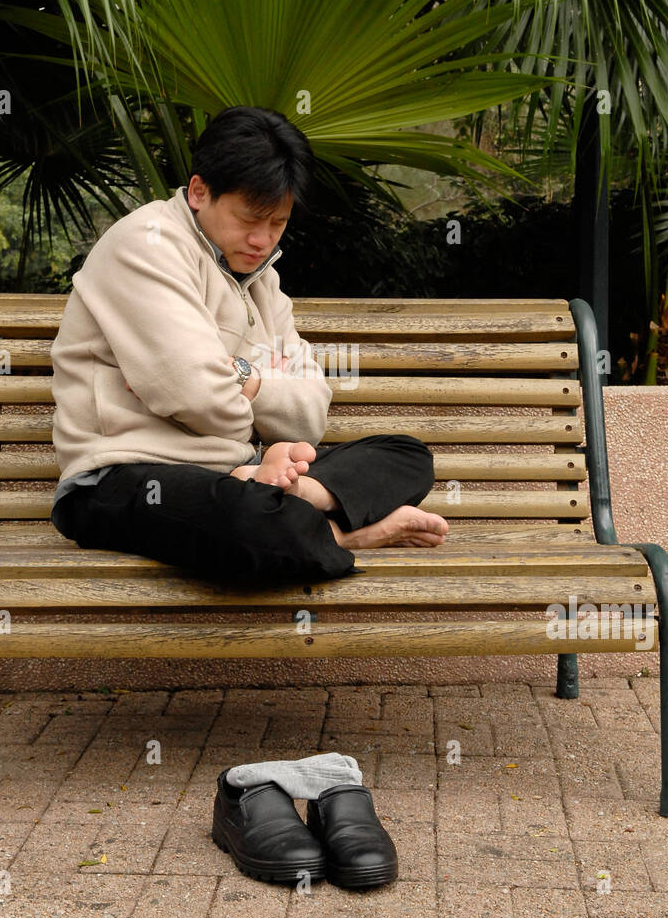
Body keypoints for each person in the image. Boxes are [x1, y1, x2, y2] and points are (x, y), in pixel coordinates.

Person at [49, 105, 449, 585]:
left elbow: (310, 416)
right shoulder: (146, 244)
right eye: (249, 220)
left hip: (244, 474)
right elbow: (194, 393)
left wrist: (237, 377)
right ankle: (342, 533)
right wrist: (248, 389)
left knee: (405, 455)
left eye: (277, 224)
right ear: (199, 191)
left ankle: (299, 500)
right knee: (248, 522)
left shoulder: (262, 279)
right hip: (124, 478)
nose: (261, 241)